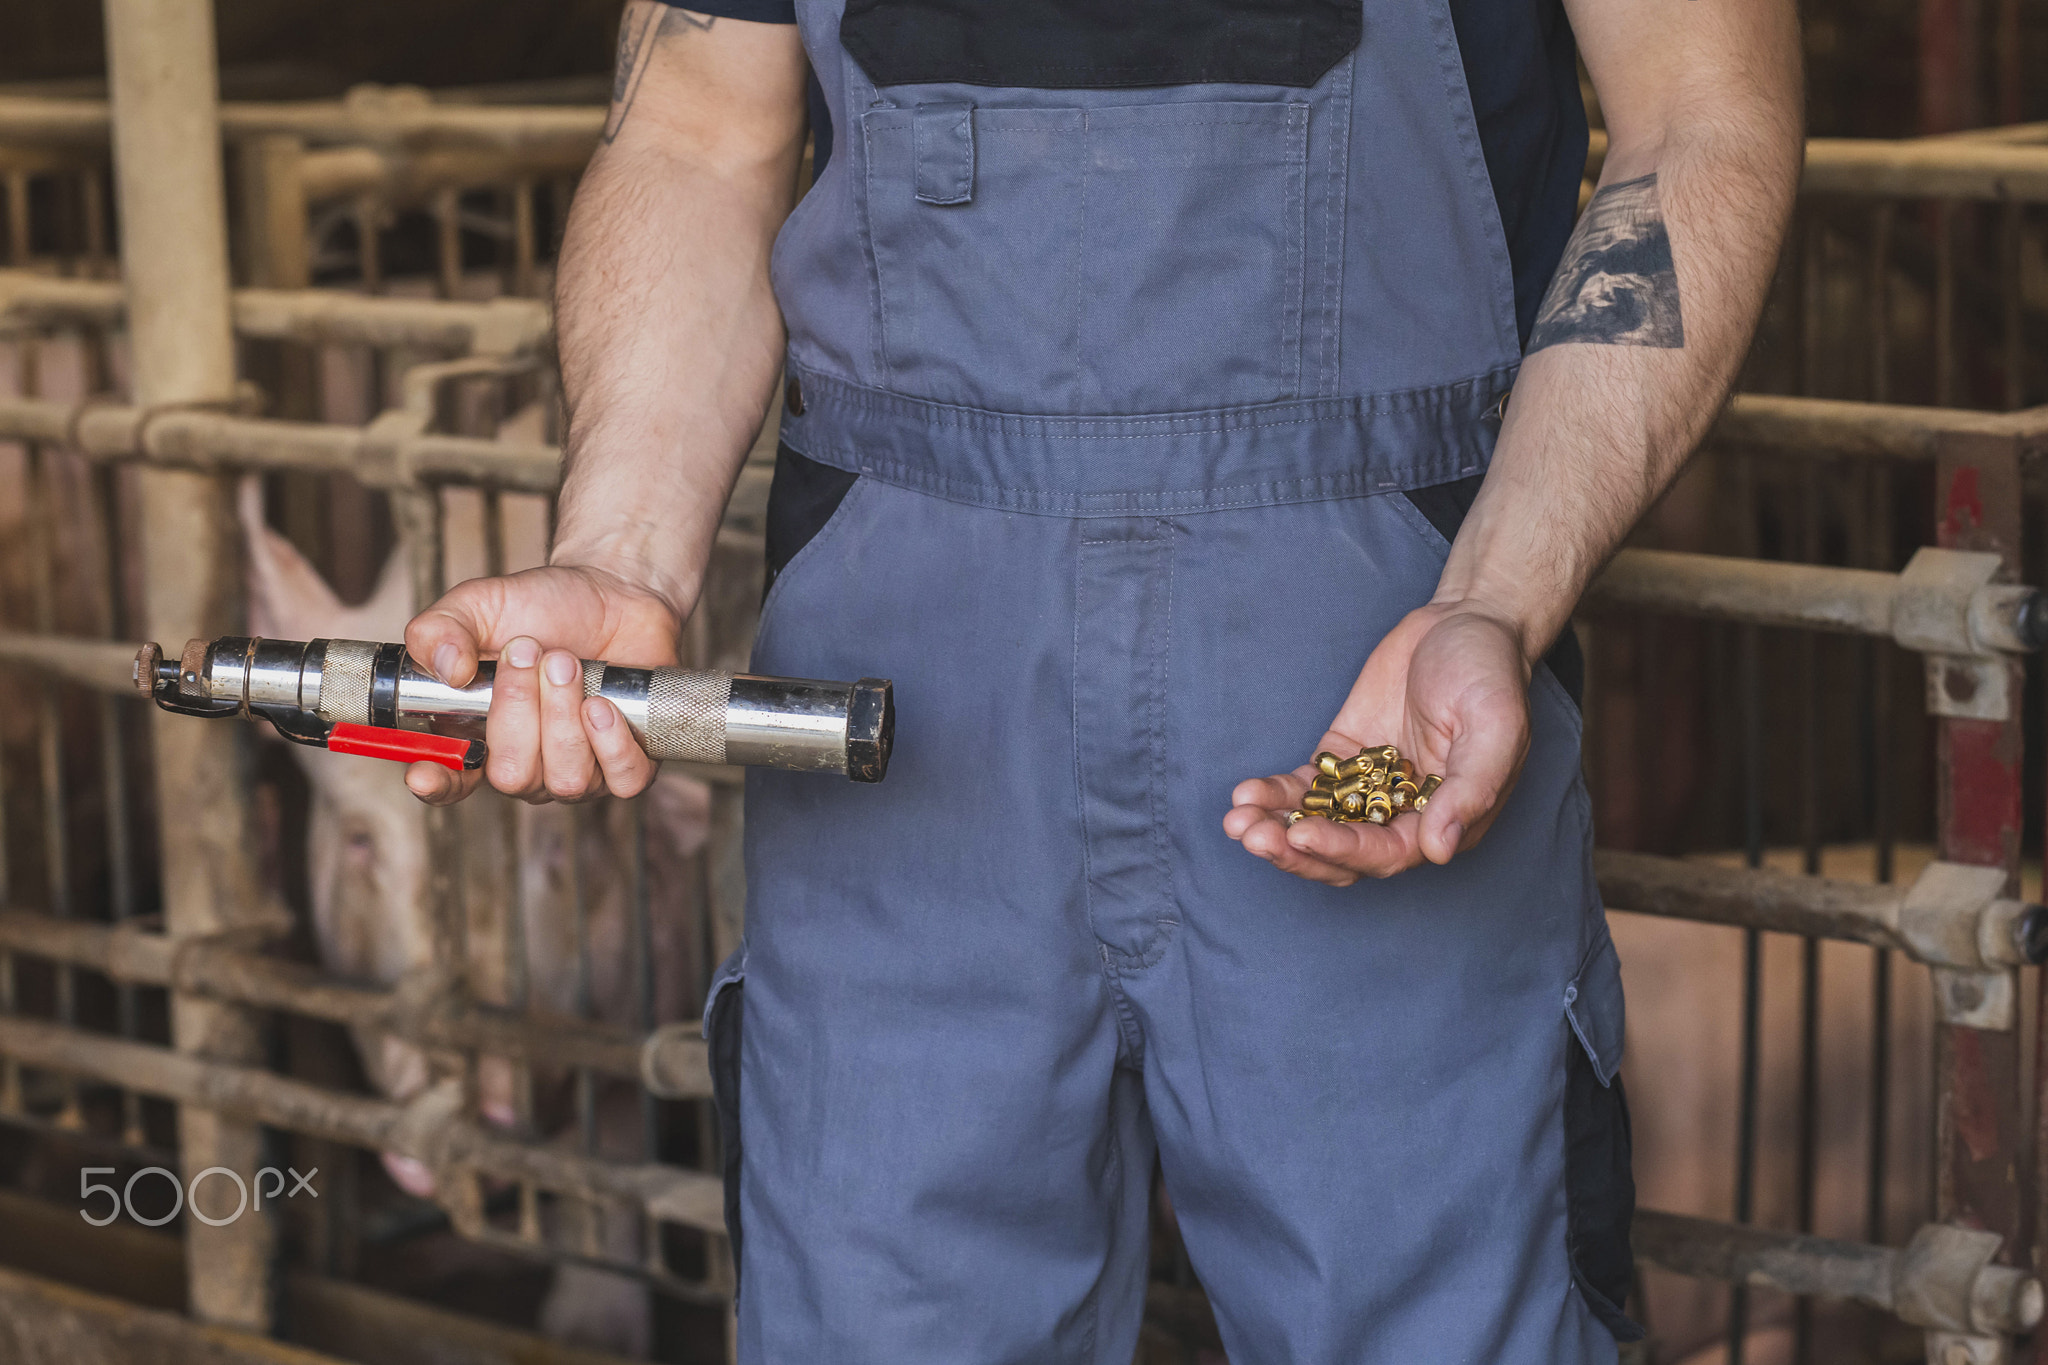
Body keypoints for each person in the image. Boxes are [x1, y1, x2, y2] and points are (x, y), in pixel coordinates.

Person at [403, 0, 1801, 1358]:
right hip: (898, 692)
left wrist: (1500, 592)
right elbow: (698, 133)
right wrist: (622, 549)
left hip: (1373, 680)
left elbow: (1701, 111)